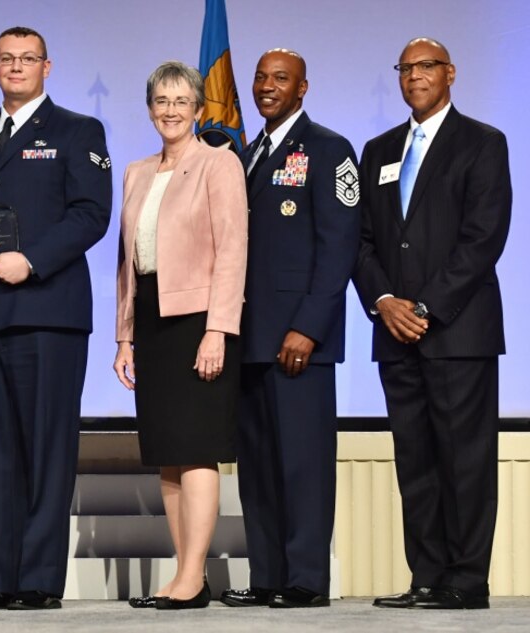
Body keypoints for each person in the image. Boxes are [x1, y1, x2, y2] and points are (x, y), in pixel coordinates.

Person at [0, 26, 112, 610]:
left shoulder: (78, 130)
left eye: (28, 59)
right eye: (7, 60)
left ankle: (39, 581)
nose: (17, 68)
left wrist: (33, 260)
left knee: (46, 452)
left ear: (48, 66)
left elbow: (92, 213)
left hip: (48, 311)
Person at [355, 37, 511, 610]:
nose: (414, 76)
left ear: (450, 73)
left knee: (464, 462)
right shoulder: (378, 150)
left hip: (457, 332)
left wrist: (425, 307)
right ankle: (426, 577)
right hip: (394, 332)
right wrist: (386, 301)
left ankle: (465, 582)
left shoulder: (483, 143)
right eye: (405, 68)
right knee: (414, 460)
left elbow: (483, 239)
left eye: (425, 67)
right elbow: (362, 242)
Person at [219, 49, 361, 610]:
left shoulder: (328, 150)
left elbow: (339, 246)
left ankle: (305, 578)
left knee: (302, 463)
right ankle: (269, 574)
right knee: (257, 466)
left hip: (299, 340)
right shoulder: (247, 153)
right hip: (250, 336)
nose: (267, 86)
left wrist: (309, 326)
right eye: (260, 77)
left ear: (304, 88)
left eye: (281, 78)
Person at [113, 61, 247, 611]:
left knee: (196, 452)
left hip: (198, 320)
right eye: (161, 101)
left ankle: (194, 576)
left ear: (198, 108)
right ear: (150, 109)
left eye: (180, 101)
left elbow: (233, 251)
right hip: (151, 318)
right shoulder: (137, 170)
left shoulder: (219, 164)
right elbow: (127, 263)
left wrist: (218, 329)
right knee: (168, 453)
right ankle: (183, 574)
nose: (170, 110)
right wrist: (124, 337)